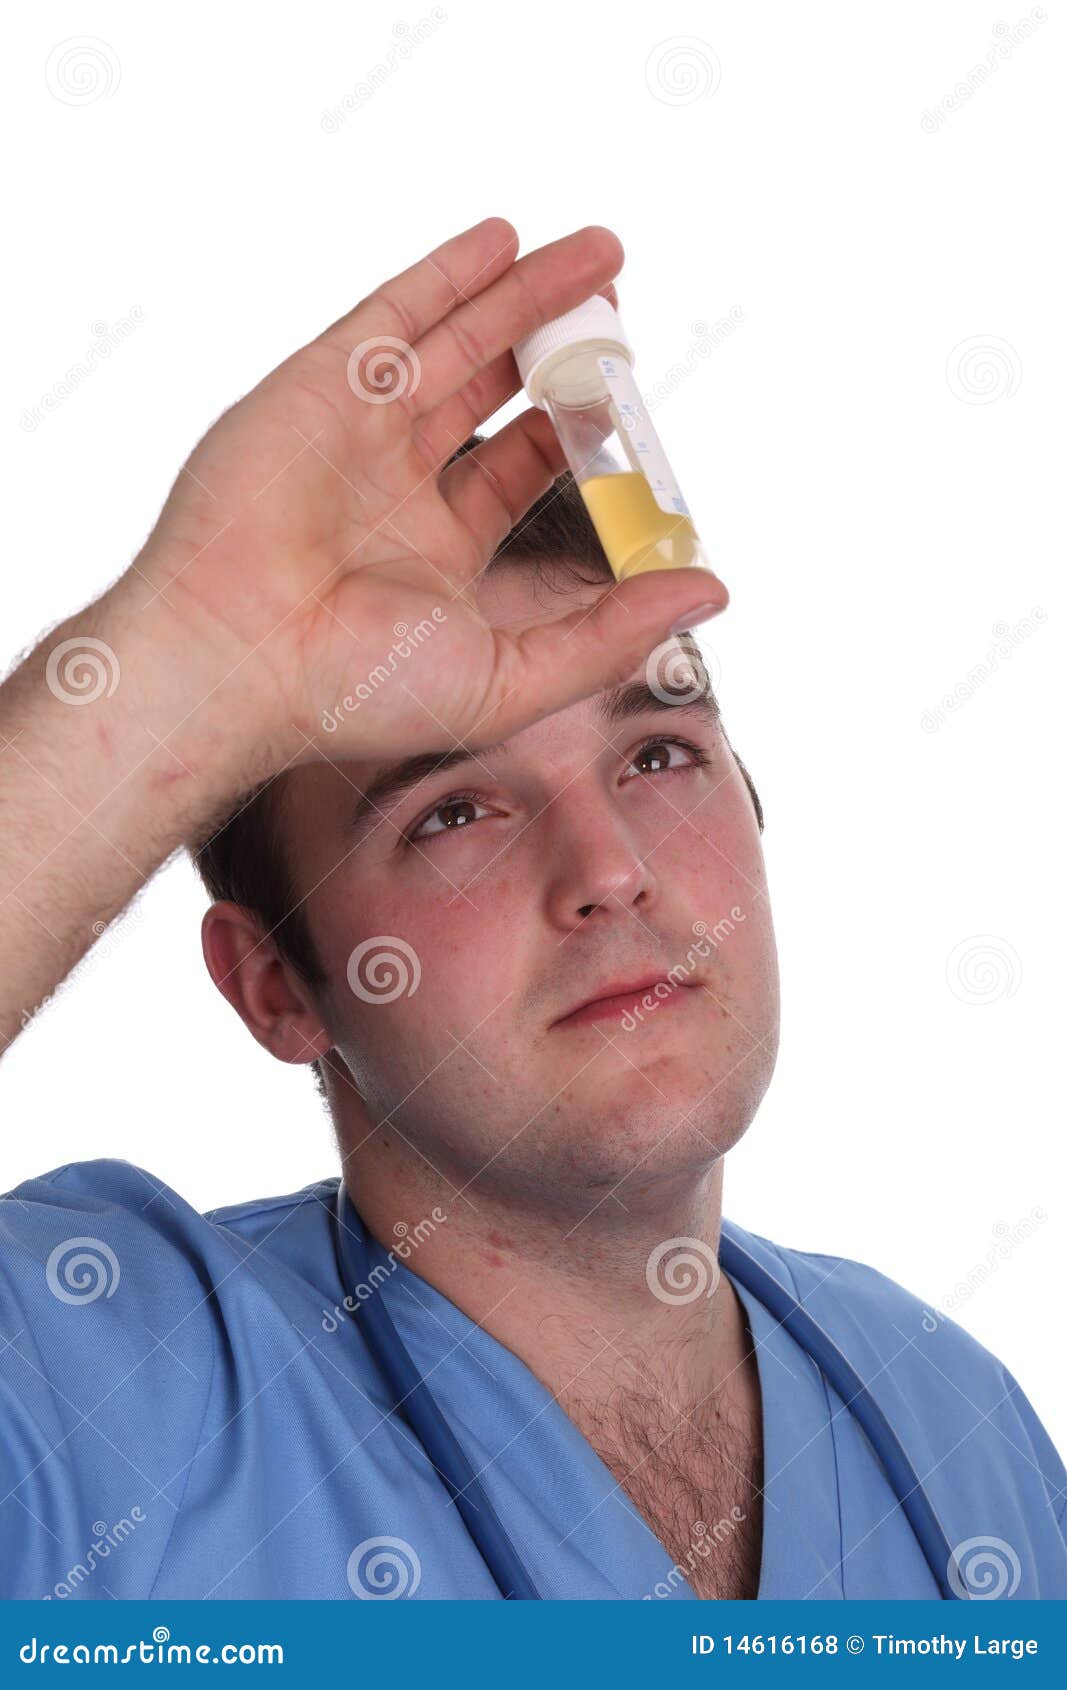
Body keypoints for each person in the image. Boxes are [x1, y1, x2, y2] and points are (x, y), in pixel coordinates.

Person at [1, 218, 1063, 1603]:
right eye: (455, 812)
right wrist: (177, 665)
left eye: (660, 752)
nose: (610, 866)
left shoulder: (949, 1418)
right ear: (276, 984)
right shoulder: (103, 1392)